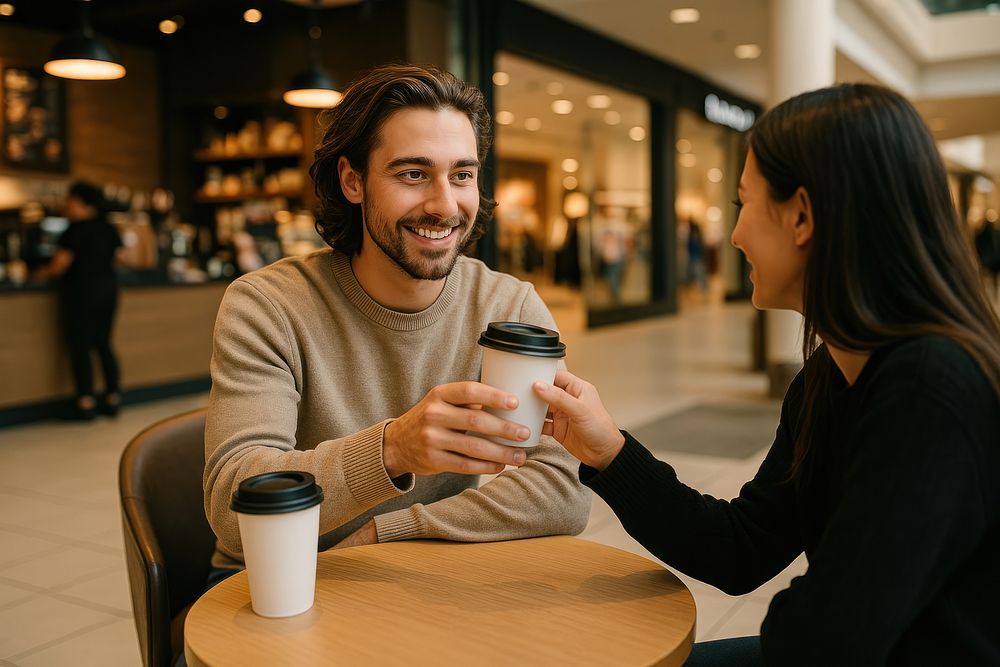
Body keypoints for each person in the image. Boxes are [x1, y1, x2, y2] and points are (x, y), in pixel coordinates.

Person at [533, 83, 1000, 665]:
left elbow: (826, 640)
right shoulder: (827, 380)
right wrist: (608, 450)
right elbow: (742, 549)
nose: (733, 235)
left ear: (802, 215)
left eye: (744, 204)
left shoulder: (931, 391)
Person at [204, 64, 589, 579]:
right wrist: (391, 450)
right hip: (277, 585)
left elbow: (564, 489)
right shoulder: (269, 306)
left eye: (462, 175)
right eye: (413, 174)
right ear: (352, 180)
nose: (445, 204)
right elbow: (233, 508)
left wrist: (390, 532)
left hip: (411, 575)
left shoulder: (509, 308)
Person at [36, 181, 123, 420]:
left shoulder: (73, 231)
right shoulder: (108, 228)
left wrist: (36, 274)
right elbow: (120, 258)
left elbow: (59, 266)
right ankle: (112, 397)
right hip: (108, 291)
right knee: (104, 343)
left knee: (80, 346)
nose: (66, 206)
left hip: (81, 293)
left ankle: (85, 402)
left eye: (70, 201)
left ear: (85, 204)